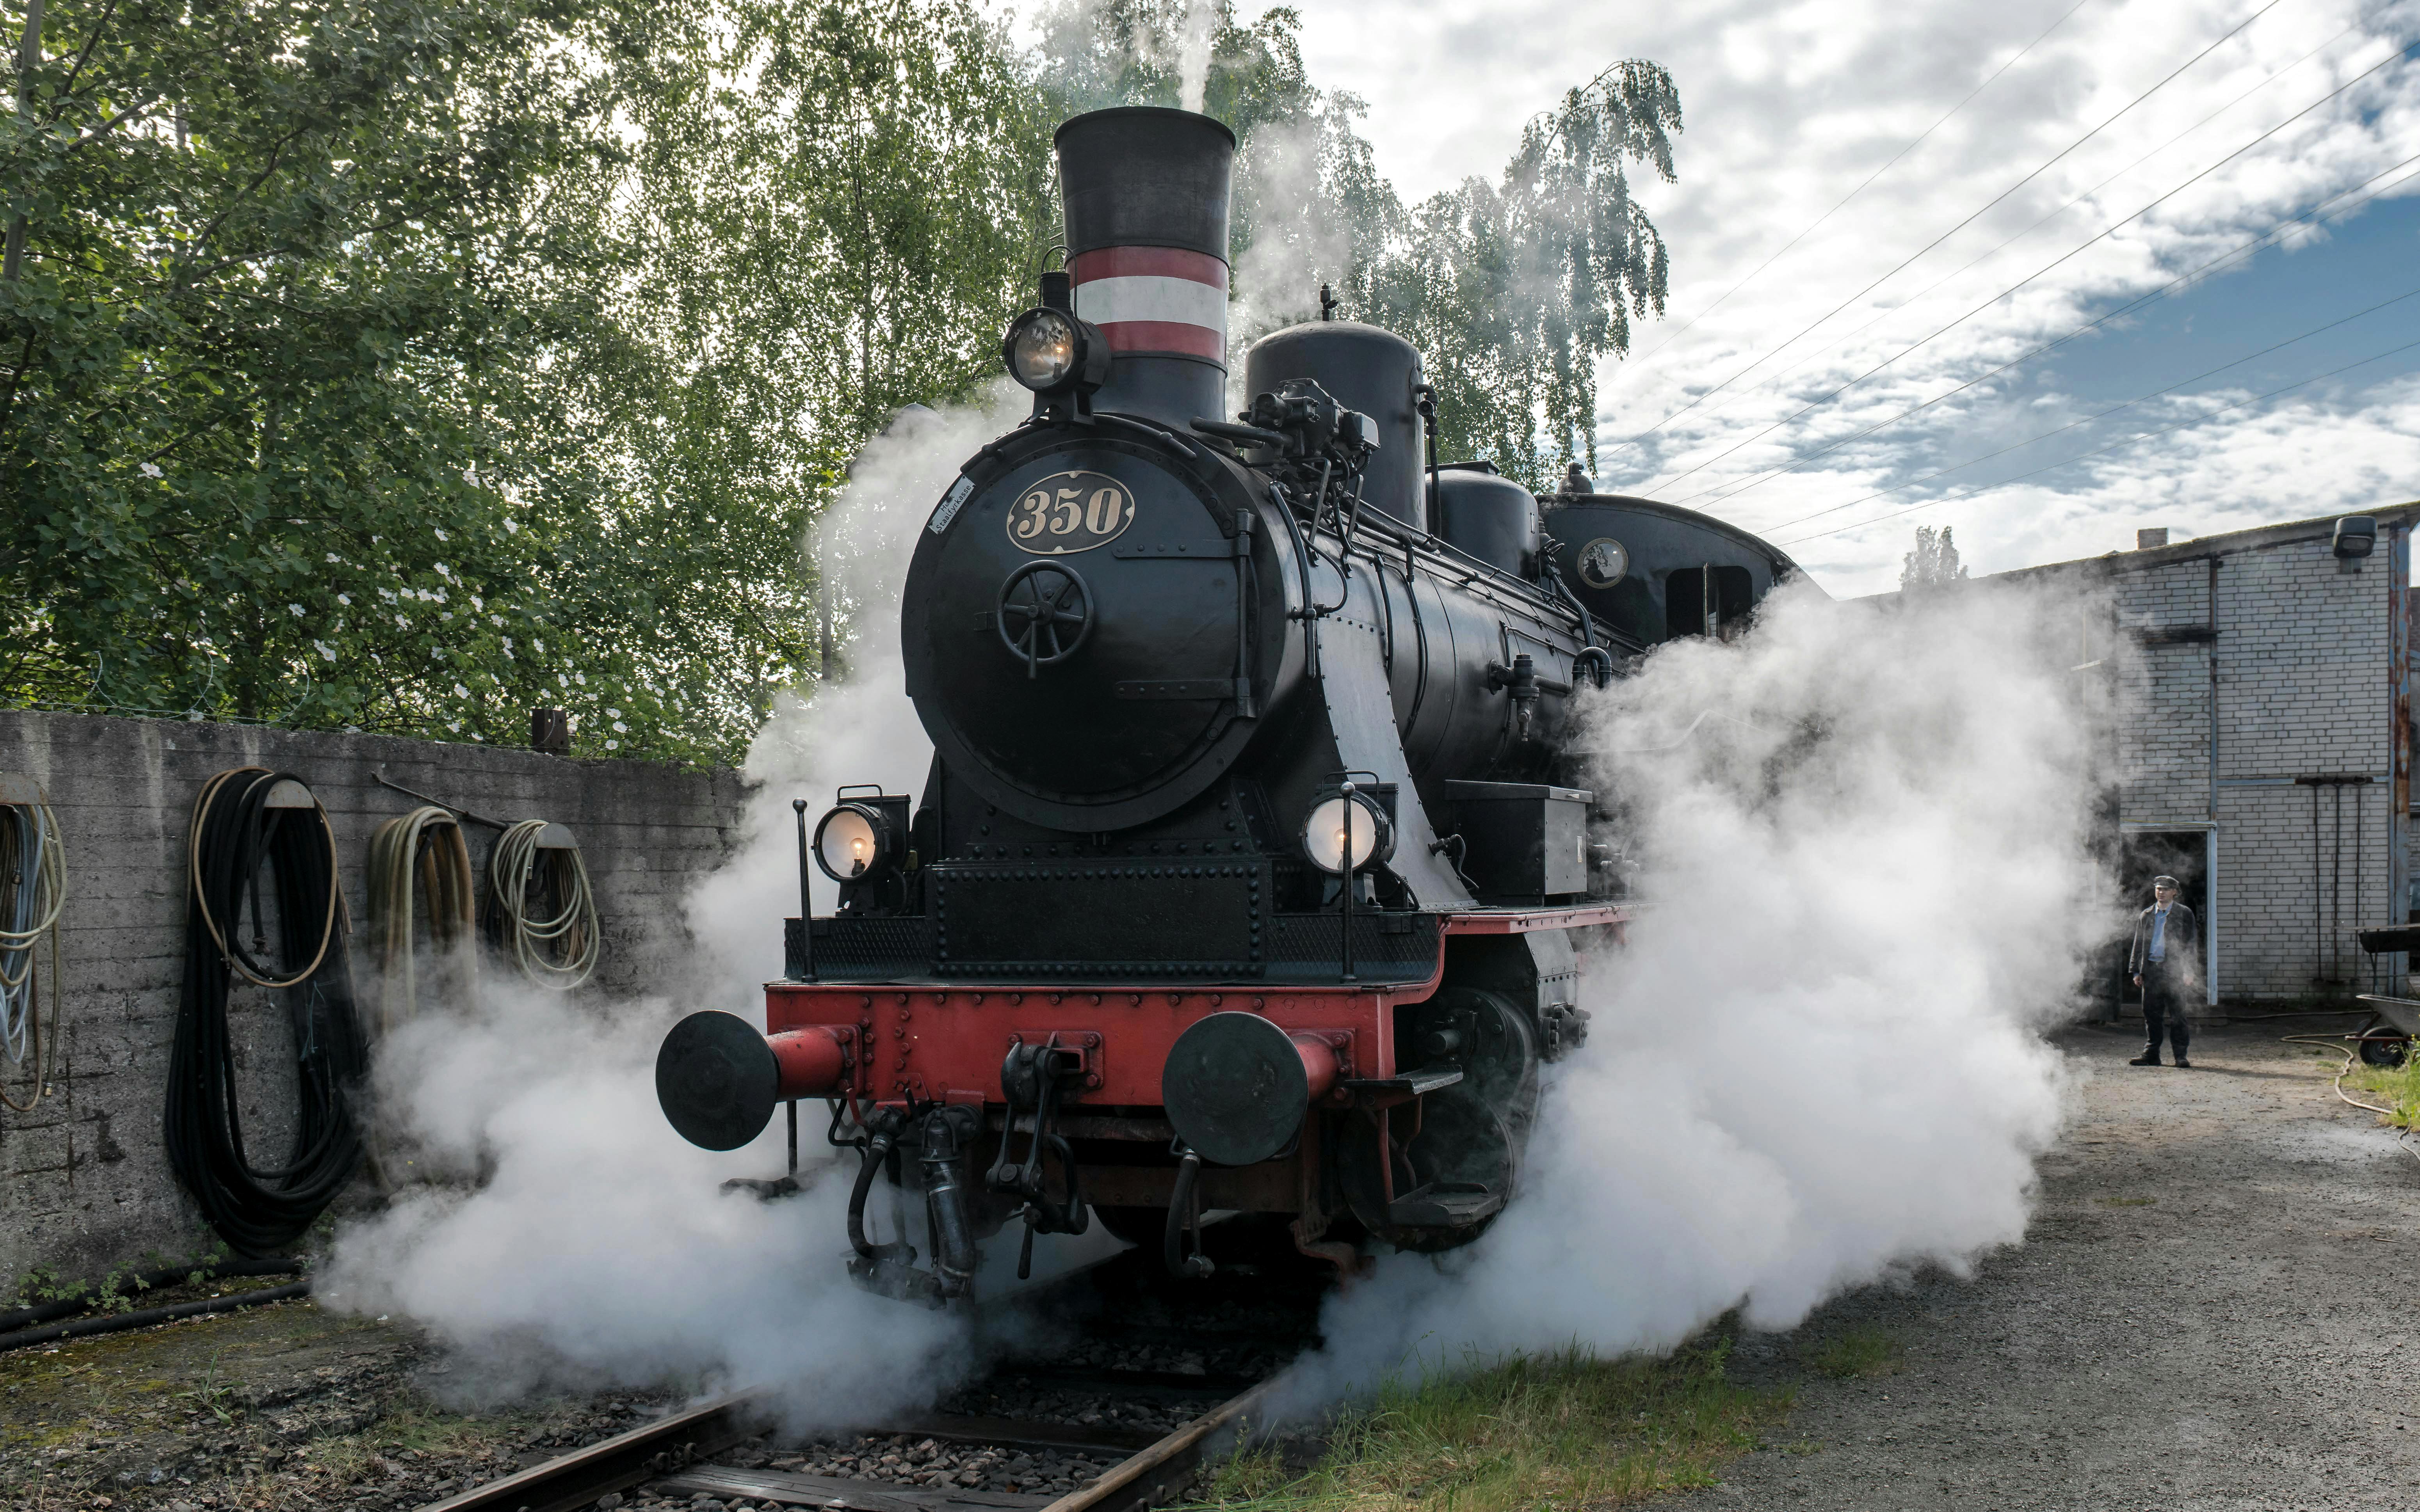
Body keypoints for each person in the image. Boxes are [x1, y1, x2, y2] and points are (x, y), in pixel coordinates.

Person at [2128, 876, 2199, 1068]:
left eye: (2166, 889)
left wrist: (2189, 970)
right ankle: (2152, 1055)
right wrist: (2136, 971)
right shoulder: (2146, 915)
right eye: (2159, 889)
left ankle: (2180, 1056)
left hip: (2175, 971)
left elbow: (2191, 943)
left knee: (2178, 1016)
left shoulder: (2184, 914)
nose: (2161, 892)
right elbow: (2138, 944)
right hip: (2151, 971)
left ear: (2174, 892)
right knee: (2151, 1015)